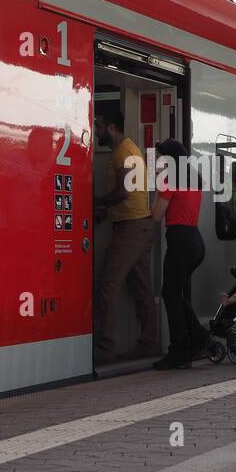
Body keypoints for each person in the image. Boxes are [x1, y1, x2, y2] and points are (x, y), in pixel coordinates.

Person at [92, 105, 158, 364]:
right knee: (140, 288)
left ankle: (104, 348)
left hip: (131, 228)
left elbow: (124, 192)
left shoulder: (124, 152)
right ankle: (149, 343)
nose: (95, 131)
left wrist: (96, 203)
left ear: (110, 128)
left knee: (108, 285)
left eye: (98, 126)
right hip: (137, 224)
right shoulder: (128, 150)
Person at [151, 139, 210, 370]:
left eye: (159, 156)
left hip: (180, 242)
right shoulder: (193, 177)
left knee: (170, 294)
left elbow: (156, 214)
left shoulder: (168, 180)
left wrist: (158, 183)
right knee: (176, 294)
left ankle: (180, 351)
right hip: (194, 241)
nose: (156, 160)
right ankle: (199, 338)